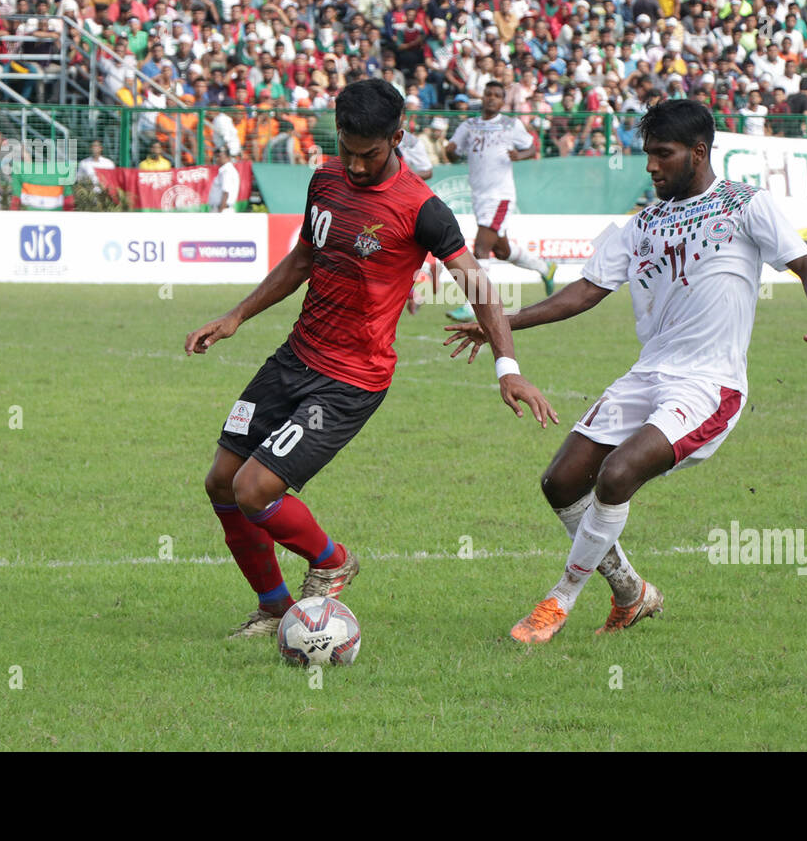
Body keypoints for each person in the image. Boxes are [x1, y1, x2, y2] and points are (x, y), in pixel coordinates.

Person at [444, 99, 807, 643]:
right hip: (648, 374)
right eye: (648, 155)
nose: (652, 166)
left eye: (664, 154)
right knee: (561, 482)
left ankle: (558, 601)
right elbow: (584, 293)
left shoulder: (745, 204)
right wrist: (504, 323)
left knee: (617, 476)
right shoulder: (642, 223)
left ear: (698, 152)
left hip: (710, 384)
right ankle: (633, 594)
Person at [185, 79, 557, 641]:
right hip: (294, 358)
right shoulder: (326, 179)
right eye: (347, 150)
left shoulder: (422, 208)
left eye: (369, 154)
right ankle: (274, 609)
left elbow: (478, 286)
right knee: (220, 481)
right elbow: (304, 258)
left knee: (254, 489)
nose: (355, 167)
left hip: (349, 381)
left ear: (398, 138)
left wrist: (508, 366)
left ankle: (333, 562)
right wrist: (237, 315)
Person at [443, 79, 557, 322]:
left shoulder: (510, 125)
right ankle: (545, 268)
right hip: (479, 196)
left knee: (481, 248)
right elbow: (453, 153)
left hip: (501, 196)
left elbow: (531, 149)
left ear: (503, 100)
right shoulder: (469, 125)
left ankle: (473, 306)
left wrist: (520, 155)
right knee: (502, 251)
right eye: (488, 94)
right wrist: (450, 151)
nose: (492, 98)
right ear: (483, 97)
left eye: (497, 94)